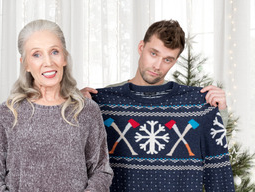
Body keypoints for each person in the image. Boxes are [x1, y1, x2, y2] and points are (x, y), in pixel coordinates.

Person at [82, 20, 235, 191]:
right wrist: (76, 106)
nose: (157, 66)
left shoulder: (195, 105)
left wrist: (220, 112)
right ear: (141, 47)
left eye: (167, 59)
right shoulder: (101, 102)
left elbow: (216, 159)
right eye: (153, 54)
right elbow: (78, 159)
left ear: (175, 61)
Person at [0, 19, 113, 192]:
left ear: (64, 57)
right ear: (25, 63)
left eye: (54, 52)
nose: (48, 62)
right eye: (36, 54)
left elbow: (101, 171)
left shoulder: (86, 110)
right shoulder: (7, 113)